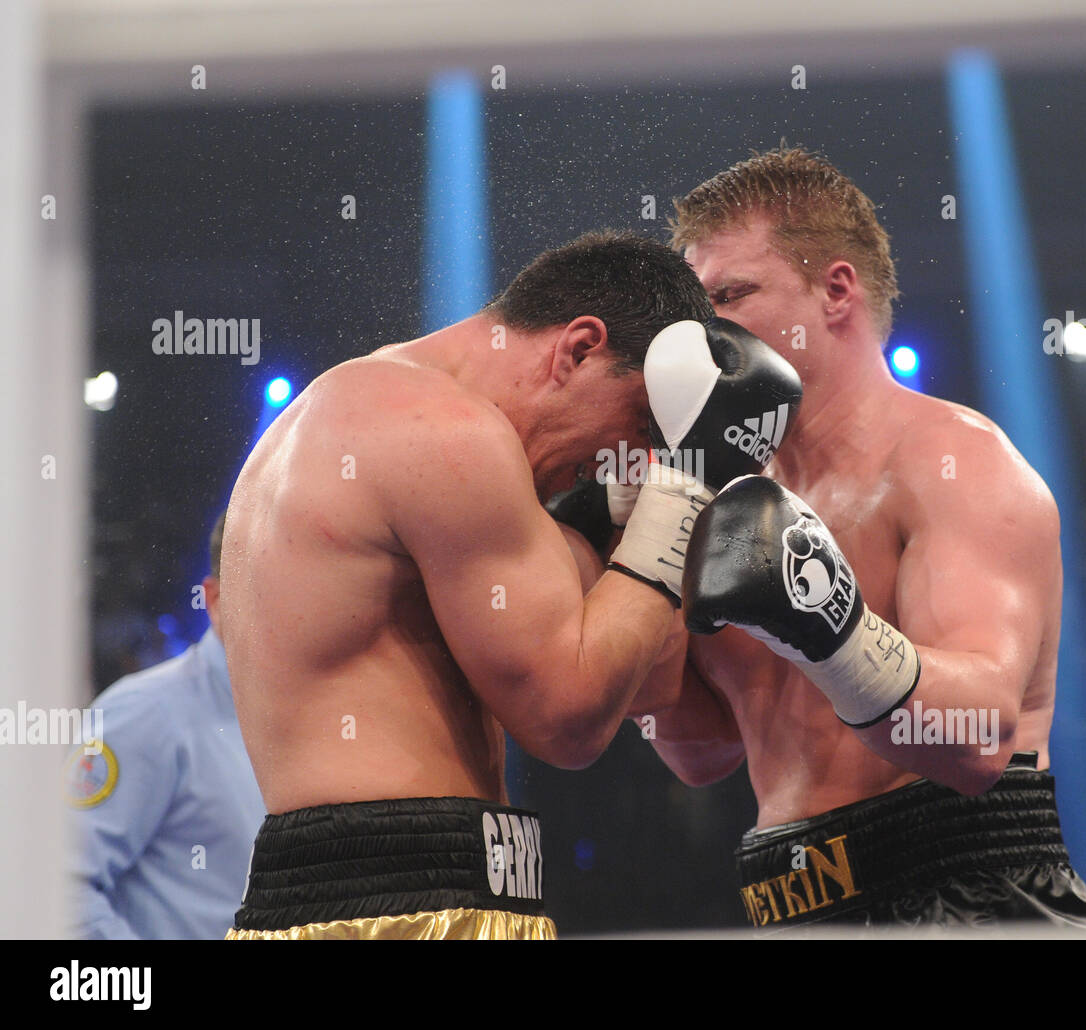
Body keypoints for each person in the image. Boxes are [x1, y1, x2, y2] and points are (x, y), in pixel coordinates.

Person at [219, 230, 801, 939]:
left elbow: (649, 690)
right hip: (387, 910)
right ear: (578, 348)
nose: (632, 457)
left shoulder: (431, 447)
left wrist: (635, 516)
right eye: (643, 424)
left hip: (441, 890)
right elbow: (569, 718)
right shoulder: (438, 432)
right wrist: (682, 490)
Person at [630, 146, 1086, 932]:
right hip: (788, 901)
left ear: (836, 290)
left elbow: (979, 741)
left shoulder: (952, 462)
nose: (702, 331)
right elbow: (700, 754)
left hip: (964, 890)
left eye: (730, 295)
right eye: (692, 309)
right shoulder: (717, 495)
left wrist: (825, 625)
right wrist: (630, 578)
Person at [67, 509, 264, 939]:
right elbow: (62, 888)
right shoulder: (143, 714)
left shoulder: (314, 723)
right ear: (215, 602)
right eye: (269, 592)